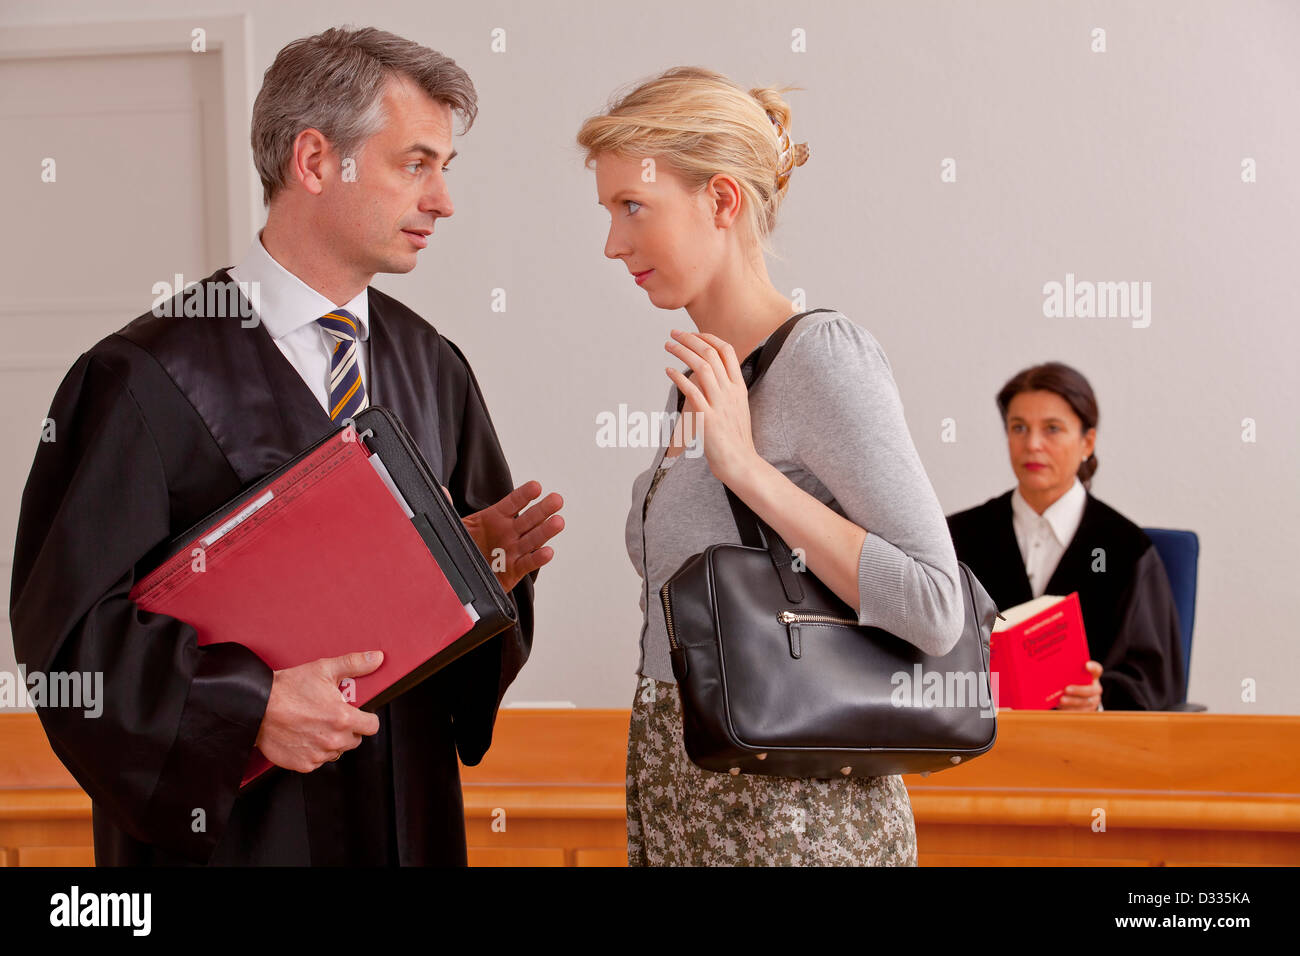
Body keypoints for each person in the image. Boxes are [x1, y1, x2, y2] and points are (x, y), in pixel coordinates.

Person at [8, 26, 564, 866]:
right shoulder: (142, 376)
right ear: (314, 161)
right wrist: (245, 704)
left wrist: (478, 580)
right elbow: (72, 639)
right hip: (238, 840)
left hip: (404, 820)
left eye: (446, 169)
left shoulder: (434, 366)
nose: (443, 200)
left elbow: (468, 673)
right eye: (415, 164)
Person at [577, 66, 964, 866]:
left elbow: (934, 604)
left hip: (798, 820)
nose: (613, 243)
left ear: (721, 201)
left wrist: (748, 471)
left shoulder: (823, 357)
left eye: (632, 208)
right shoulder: (707, 373)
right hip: (685, 782)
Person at [946, 362, 1185, 711]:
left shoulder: (1126, 549)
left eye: (1052, 429)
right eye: (1019, 428)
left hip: (1089, 751)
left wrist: (1100, 699)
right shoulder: (959, 537)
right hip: (981, 747)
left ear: (1087, 442)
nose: (1033, 444)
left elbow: (1157, 681)